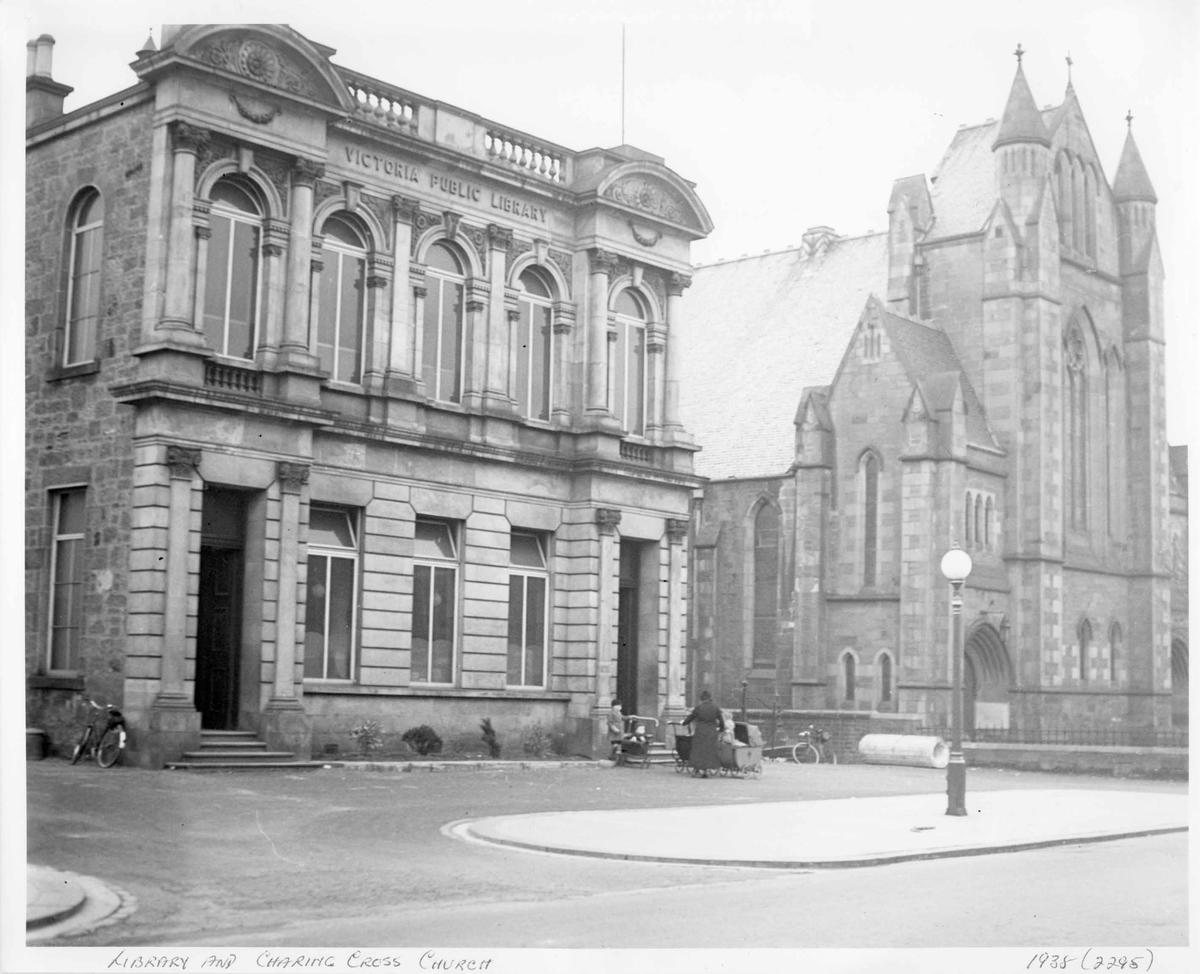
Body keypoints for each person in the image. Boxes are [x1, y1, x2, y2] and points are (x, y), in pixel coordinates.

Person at [681, 690, 725, 777]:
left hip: (700, 731)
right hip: (712, 732)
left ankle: (697, 769)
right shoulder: (716, 708)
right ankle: (706, 770)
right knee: (709, 751)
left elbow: (690, 717)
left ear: (702, 699)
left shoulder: (698, 708)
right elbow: (721, 721)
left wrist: (684, 723)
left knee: (698, 751)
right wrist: (721, 729)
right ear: (710, 698)